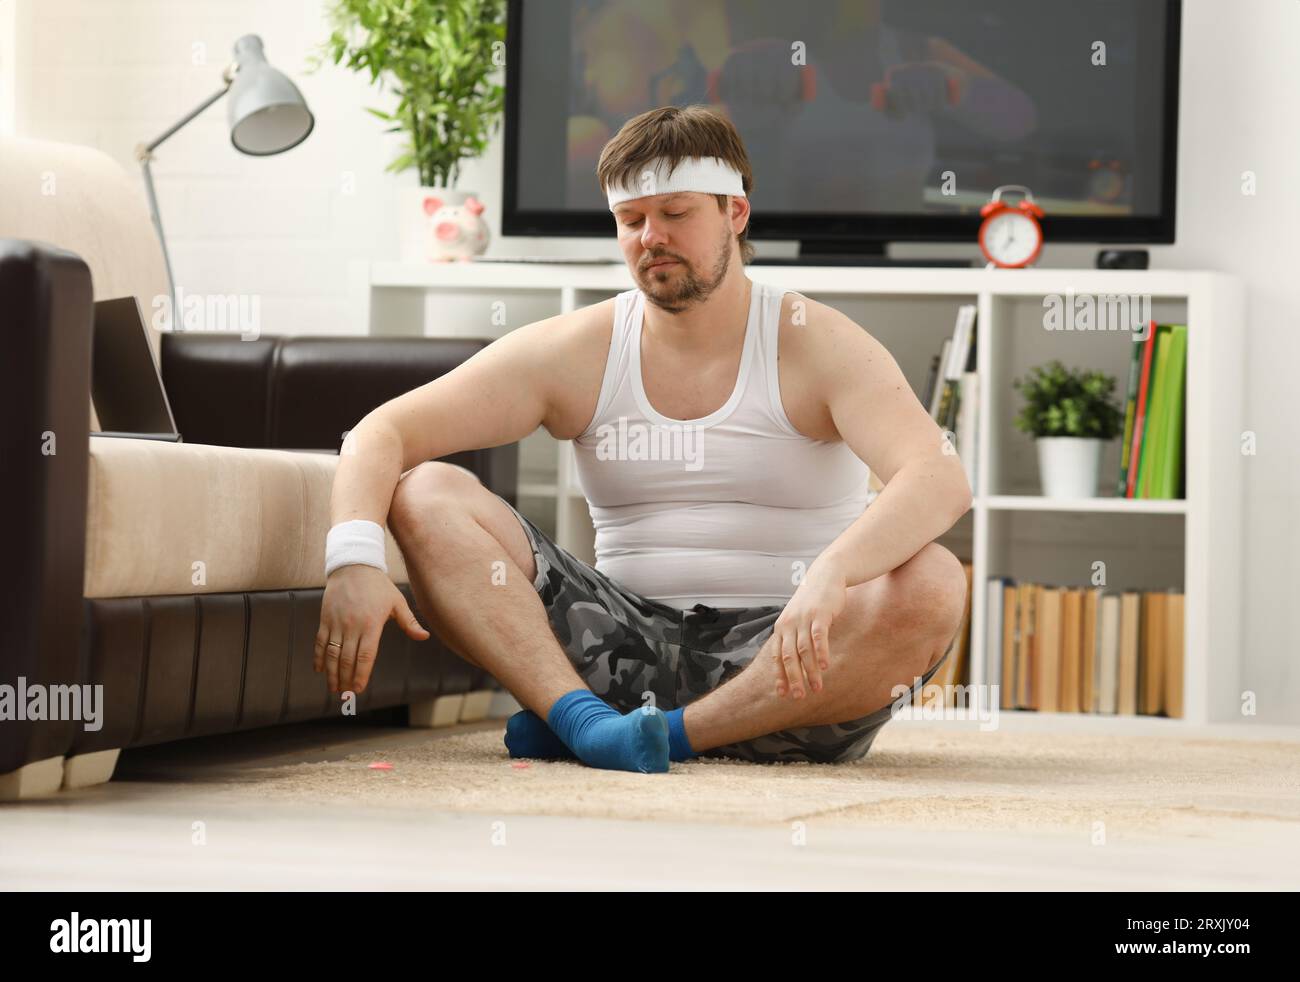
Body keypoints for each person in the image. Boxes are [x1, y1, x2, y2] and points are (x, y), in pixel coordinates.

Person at [315, 105, 972, 774]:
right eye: (632, 221)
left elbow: (939, 475)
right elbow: (382, 431)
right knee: (427, 493)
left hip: (790, 675)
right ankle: (587, 721)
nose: (651, 236)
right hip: (616, 657)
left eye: (676, 213)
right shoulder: (578, 348)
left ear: (736, 213)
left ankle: (661, 737)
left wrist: (837, 570)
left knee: (935, 581)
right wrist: (354, 561)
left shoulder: (817, 340)